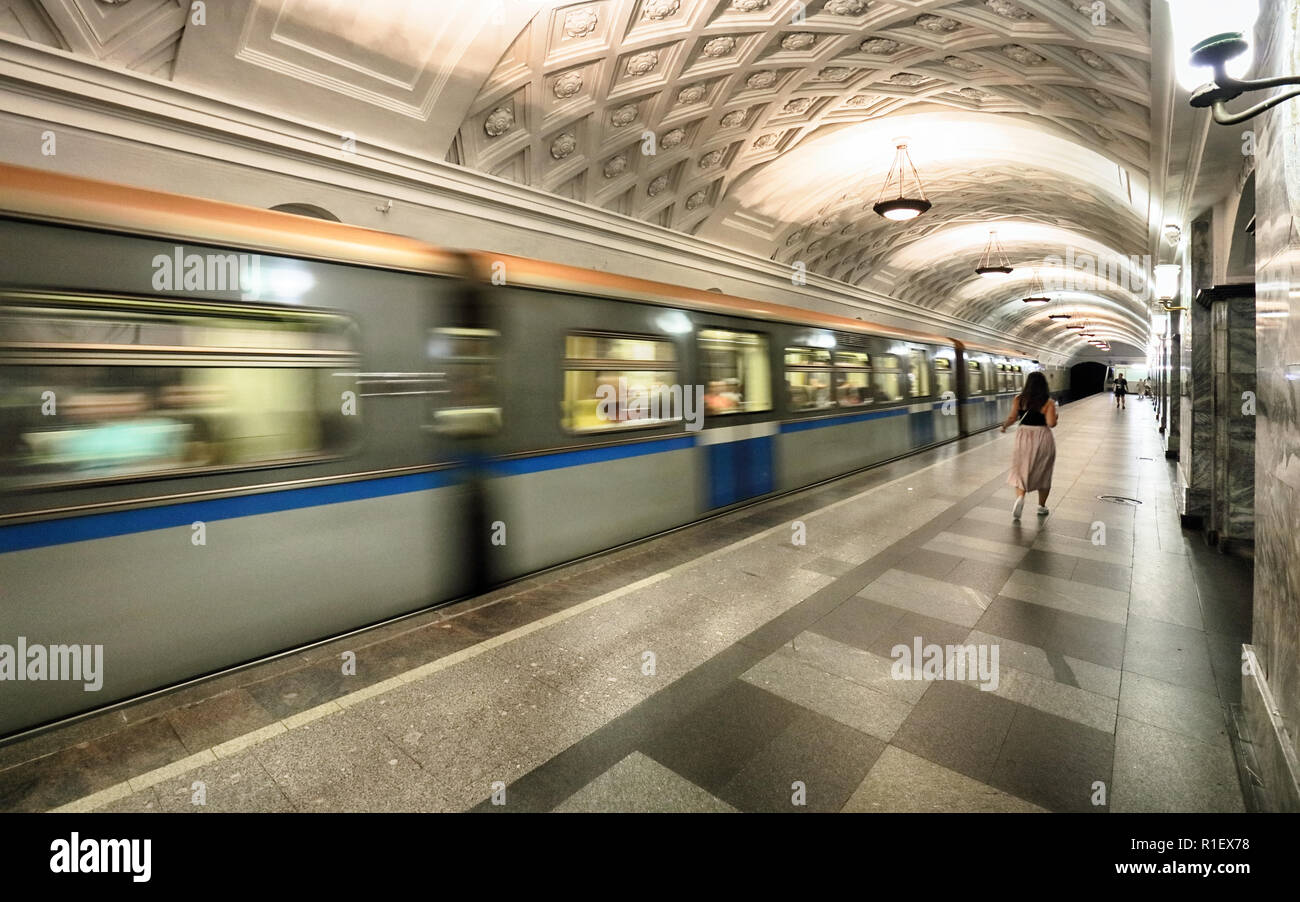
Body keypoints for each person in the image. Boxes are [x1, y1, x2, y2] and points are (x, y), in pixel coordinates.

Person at [1000, 371, 1058, 519]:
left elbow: (1013, 417)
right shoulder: (1048, 402)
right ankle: (1041, 506)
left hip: (1023, 437)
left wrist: (1005, 426)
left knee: (1021, 468)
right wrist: (1056, 416)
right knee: (1043, 471)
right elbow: (1051, 423)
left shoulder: (1019, 399)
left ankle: (1020, 497)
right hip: (1042, 438)